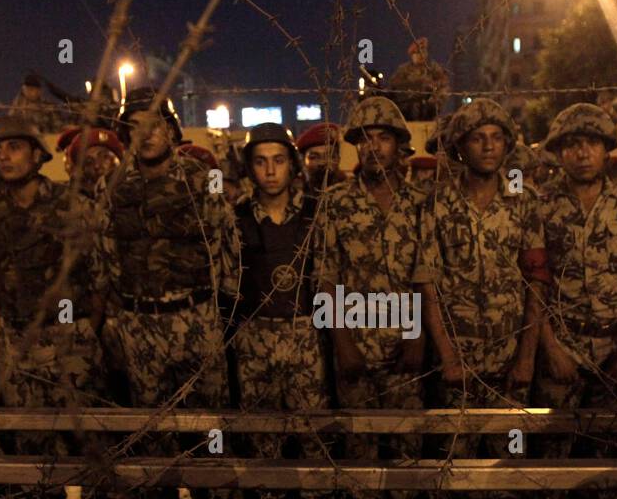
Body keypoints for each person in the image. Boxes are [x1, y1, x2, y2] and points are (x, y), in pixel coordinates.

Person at [92, 88, 233, 443]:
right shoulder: (111, 187)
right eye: (136, 127)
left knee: (210, 426)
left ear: (171, 130)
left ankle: (216, 498)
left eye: (154, 125)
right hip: (140, 323)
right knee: (153, 431)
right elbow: (105, 257)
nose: (146, 135)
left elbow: (223, 248)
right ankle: (161, 497)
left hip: (196, 317)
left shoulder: (201, 180)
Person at [421, 98, 546, 458]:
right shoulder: (437, 204)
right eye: (477, 138)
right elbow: (428, 284)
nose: (489, 146)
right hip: (456, 356)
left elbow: (535, 281)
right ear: (460, 146)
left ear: (507, 144)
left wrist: (526, 356)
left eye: (496, 137)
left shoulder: (524, 202)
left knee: (508, 458)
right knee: (455, 459)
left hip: (509, 355)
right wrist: (447, 357)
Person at [536, 104, 617, 453]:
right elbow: (530, 283)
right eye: (572, 143)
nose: (582, 153)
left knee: (608, 464)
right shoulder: (539, 205)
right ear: (559, 152)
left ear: (607, 149)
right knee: (551, 462)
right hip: (561, 348)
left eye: (592, 142)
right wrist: (550, 347)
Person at [0, 116, 103, 453]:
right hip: (16, 346)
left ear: (37, 155)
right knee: (33, 450)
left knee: (89, 443)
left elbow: (102, 272)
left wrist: (89, 329)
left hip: (70, 340)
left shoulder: (72, 204)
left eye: (14, 147)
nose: (4, 157)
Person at [320, 96, 433, 461]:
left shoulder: (421, 202)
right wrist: (342, 343)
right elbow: (325, 278)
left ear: (399, 144)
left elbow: (426, 274)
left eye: (383, 137)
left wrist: (416, 336)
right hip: (355, 345)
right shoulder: (335, 202)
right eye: (364, 138)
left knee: (407, 450)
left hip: (405, 347)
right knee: (359, 453)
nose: (373, 147)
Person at [222, 123, 330, 459]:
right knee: (263, 439)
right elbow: (226, 285)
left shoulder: (316, 213)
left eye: (279, 160)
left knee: (315, 438)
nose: (270, 170)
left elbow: (330, 279)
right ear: (249, 168)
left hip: (305, 334)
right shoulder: (235, 217)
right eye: (260, 161)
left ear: (293, 165)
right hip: (254, 337)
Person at [388, 37, 449, 121]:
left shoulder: (433, 68)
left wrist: (432, 98)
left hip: (429, 111)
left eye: (423, 52)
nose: (420, 55)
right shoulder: (403, 70)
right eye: (417, 53)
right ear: (412, 55)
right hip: (406, 111)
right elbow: (394, 88)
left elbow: (443, 85)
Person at [295, 122, 346, 196]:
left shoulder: (352, 193)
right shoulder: (294, 195)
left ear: (338, 159)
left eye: (329, 156)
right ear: (303, 161)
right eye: (314, 157)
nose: (322, 163)